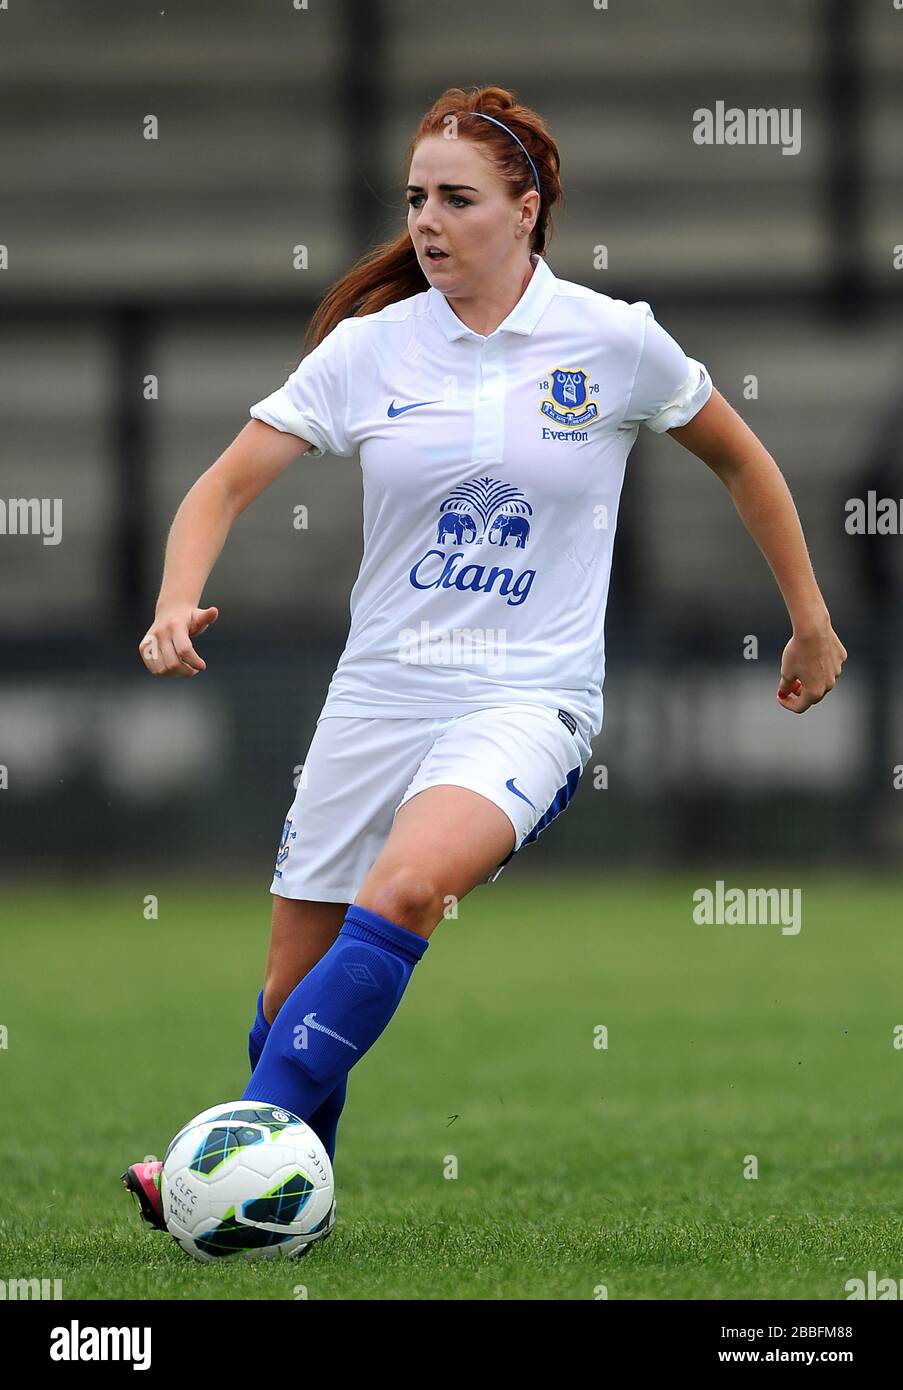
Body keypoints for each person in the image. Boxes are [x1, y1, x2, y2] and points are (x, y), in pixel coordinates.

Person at [122, 85, 846, 1246]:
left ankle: (225, 1159)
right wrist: (171, 599)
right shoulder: (369, 351)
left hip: (528, 700)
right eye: (416, 199)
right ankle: (289, 1209)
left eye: (457, 198)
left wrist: (808, 619)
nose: (429, 221)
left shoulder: (613, 341)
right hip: (376, 697)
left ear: (529, 208)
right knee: (289, 998)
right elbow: (220, 487)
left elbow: (744, 462)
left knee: (407, 889)